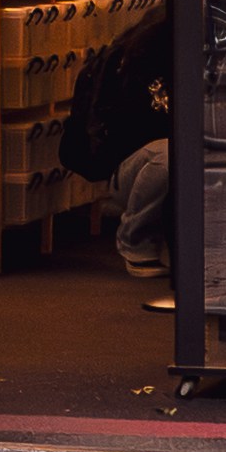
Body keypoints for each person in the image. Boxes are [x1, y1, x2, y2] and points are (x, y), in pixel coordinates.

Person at [58, 16, 174, 283]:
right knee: (169, 154)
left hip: (155, 164)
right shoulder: (130, 70)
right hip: (127, 168)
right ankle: (134, 241)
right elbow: (116, 138)